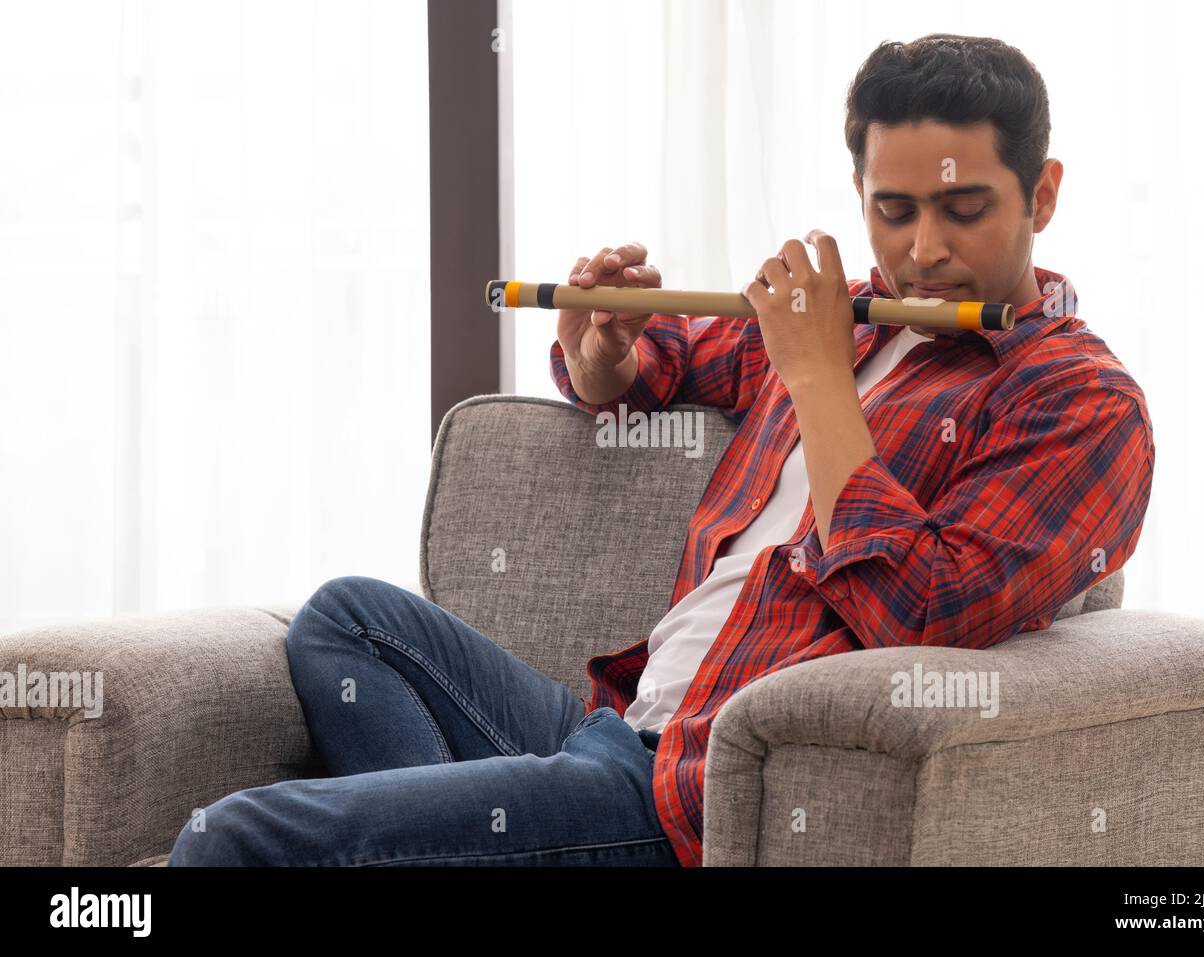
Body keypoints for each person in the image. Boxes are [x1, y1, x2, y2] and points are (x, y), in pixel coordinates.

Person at [167, 32, 1154, 868]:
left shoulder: (1078, 404)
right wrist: (605, 352)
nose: (923, 250)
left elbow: (925, 612)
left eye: (963, 208)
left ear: (1042, 193)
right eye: (893, 211)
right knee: (346, 619)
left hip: (691, 793)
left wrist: (816, 380)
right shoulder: (846, 321)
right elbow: (668, 360)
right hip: (616, 726)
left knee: (232, 837)